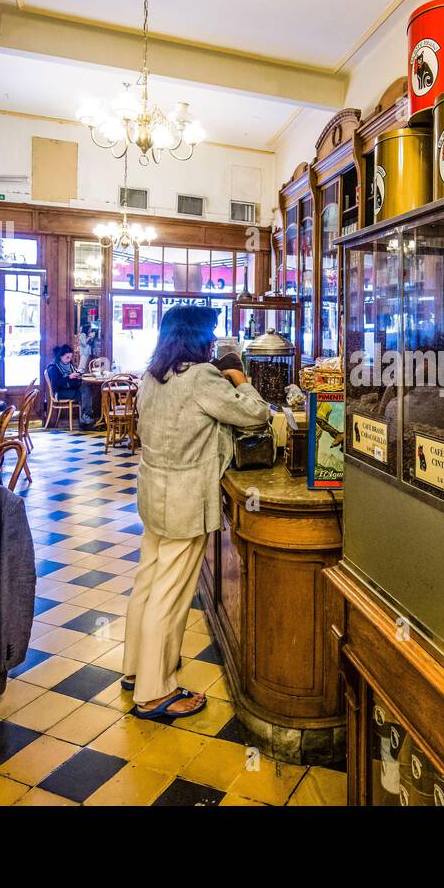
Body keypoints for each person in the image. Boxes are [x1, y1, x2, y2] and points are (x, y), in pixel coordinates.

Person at [124, 304, 269, 719]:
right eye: (212, 333)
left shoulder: (153, 375)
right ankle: (154, 693)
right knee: (169, 597)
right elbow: (254, 415)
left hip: (155, 492)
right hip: (185, 498)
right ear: (198, 337)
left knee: (148, 582)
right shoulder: (202, 376)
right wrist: (239, 377)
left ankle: (136, 669)